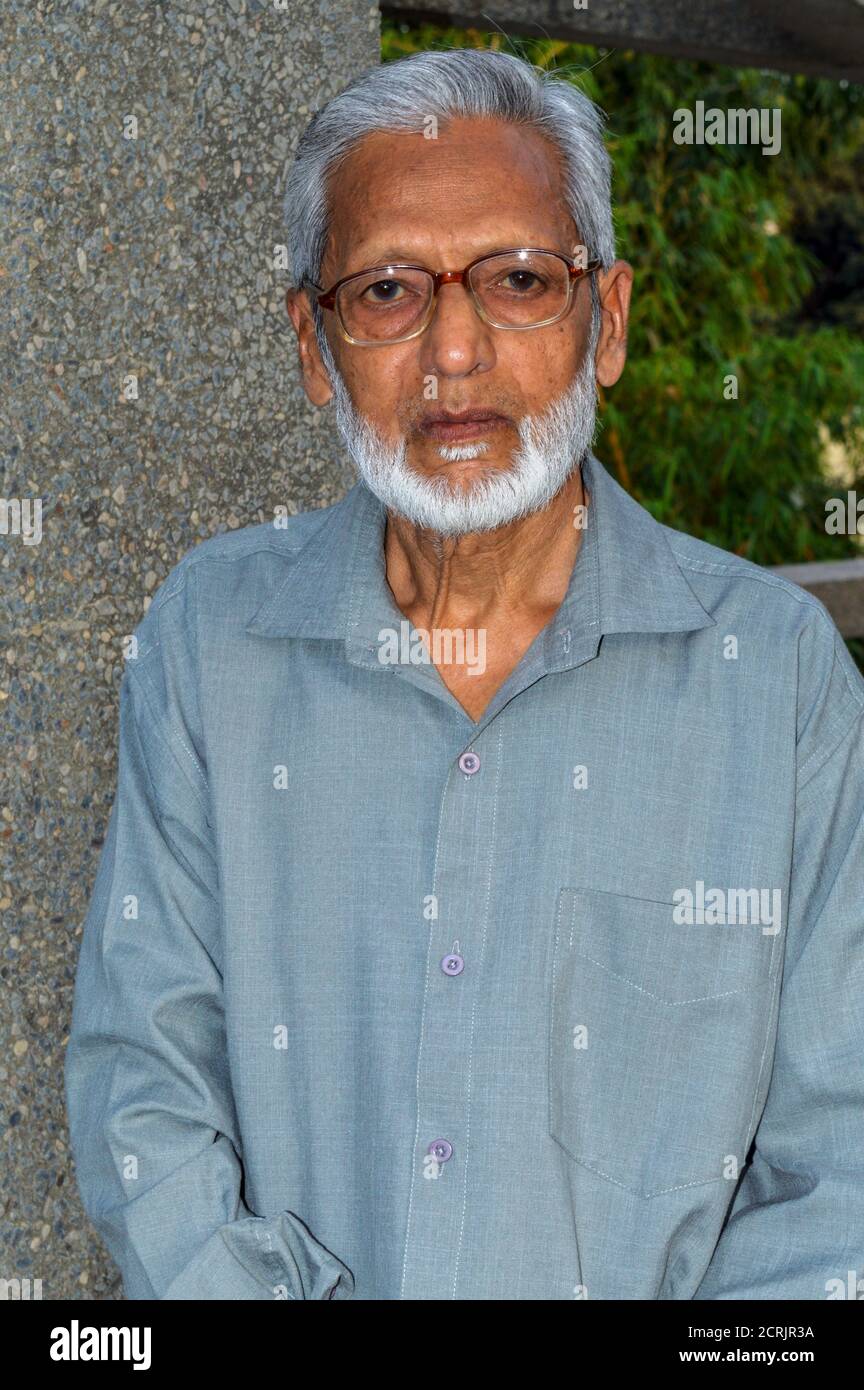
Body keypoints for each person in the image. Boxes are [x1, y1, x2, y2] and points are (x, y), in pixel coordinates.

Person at [65, 47, 864, 1300]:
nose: (453, 350)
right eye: (386, 289)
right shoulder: (208, 641)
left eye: (520, 280)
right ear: (315, 347)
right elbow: (140, 1089)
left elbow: (842, 1172)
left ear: (607, 322)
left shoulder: (777, 680)